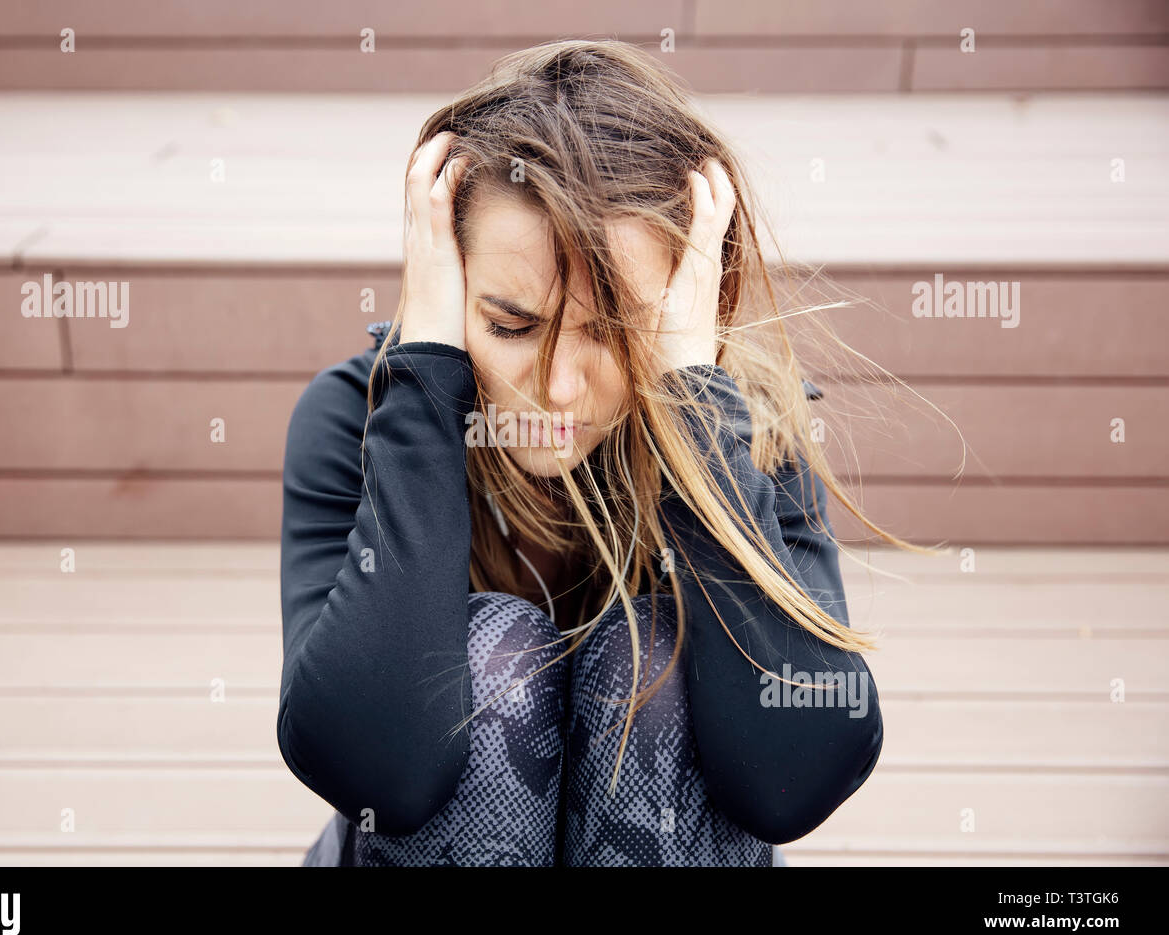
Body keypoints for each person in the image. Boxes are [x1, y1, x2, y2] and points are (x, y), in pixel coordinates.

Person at [277, 39, 932, 867]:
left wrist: (693, 406)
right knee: (499, 664)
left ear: (692, 303)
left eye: (614, 332)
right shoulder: (358, 419)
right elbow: (375, 769)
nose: (556, 391)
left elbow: (790, 780)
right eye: (510, 324)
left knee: (651, 670)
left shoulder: (751, 434)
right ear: (442, 286)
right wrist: (427, 384)